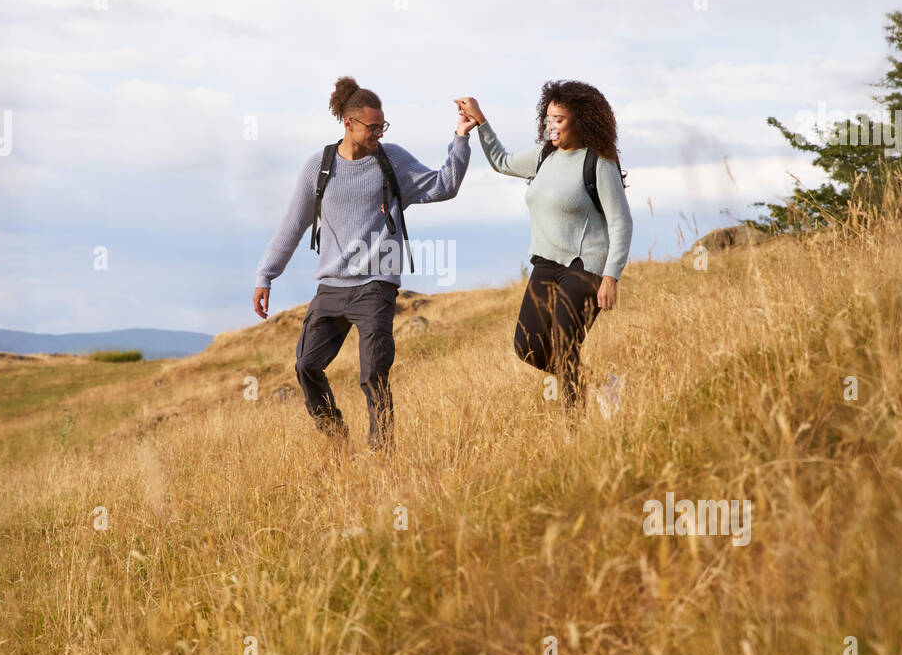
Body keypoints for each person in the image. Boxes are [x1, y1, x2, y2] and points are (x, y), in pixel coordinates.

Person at [253, 76, 474, 451]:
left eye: (382, 126)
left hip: (376, 285)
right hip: (331, 287)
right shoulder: (319, 167)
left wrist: (461, 137)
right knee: (306, 365)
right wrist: (265, 275)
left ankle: (381, 453)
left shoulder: (391, 160)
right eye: (372, 127)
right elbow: (292, 225)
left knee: (374, 373)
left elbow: (444, 185)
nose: (379, 133)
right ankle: (336, 437)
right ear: (349, 123)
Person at [456, 81, 633, 412]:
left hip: (584, 265)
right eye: (548, 118)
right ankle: (601, 384)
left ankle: (572, 431)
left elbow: (621, 221)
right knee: (527, 346)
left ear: (580, 120)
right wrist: (480, 121)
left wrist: (611, 277)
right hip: (546, 263)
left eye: (559, 119)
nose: (551, 126)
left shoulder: (598, 162)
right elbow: (502, 161)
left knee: (565, 347)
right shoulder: (543, 156)